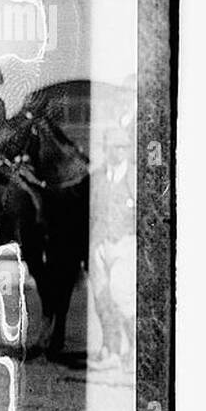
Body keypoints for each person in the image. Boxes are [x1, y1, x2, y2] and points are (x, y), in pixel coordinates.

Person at [89, 122, 136, 368]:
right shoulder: (97, 177)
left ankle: (137, 348)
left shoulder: (134, 177)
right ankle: (113, 352)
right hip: (99, 244)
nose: (119, 152)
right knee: (101, 298)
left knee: (121, 295)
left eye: (123, 147)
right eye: (114, 147)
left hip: (125, 244)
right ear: (106, 149)